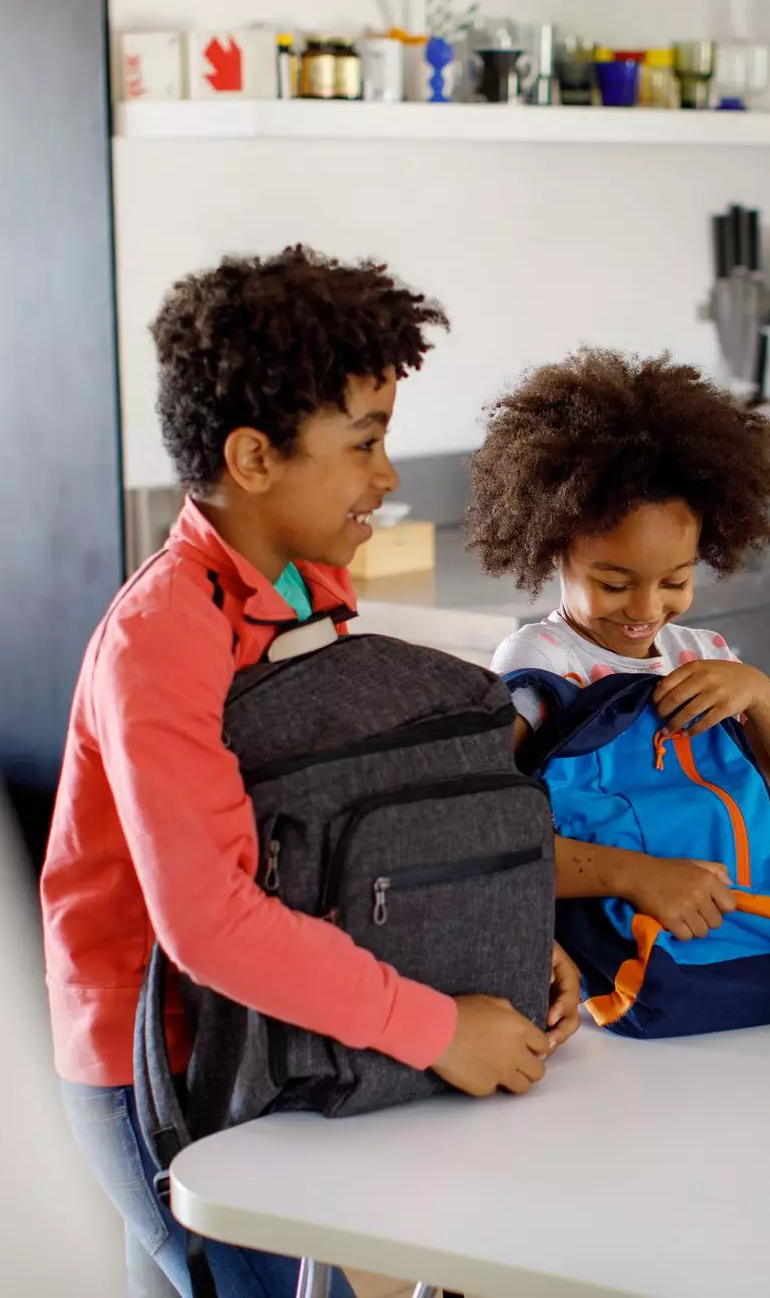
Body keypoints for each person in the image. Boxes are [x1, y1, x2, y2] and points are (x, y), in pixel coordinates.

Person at [41, 247, 581, 1297]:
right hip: (159, 1060)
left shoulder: (301, 587)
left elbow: (334, 847)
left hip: (258, 1035)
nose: (388, 475)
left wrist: (506, 959)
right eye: (366, 443)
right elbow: (215, 924)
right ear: (253, 458)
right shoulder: (161, 638)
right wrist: (441, 1030)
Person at [469, 349, 770, 943]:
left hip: (728, 947)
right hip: (604, 969)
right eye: (614, 584)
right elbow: (489, 831)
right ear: (552, 547)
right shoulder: (540, 665)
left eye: (676, 581)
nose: (647, 610)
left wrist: (762, 693)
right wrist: (638, 876)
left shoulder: (703, 656)